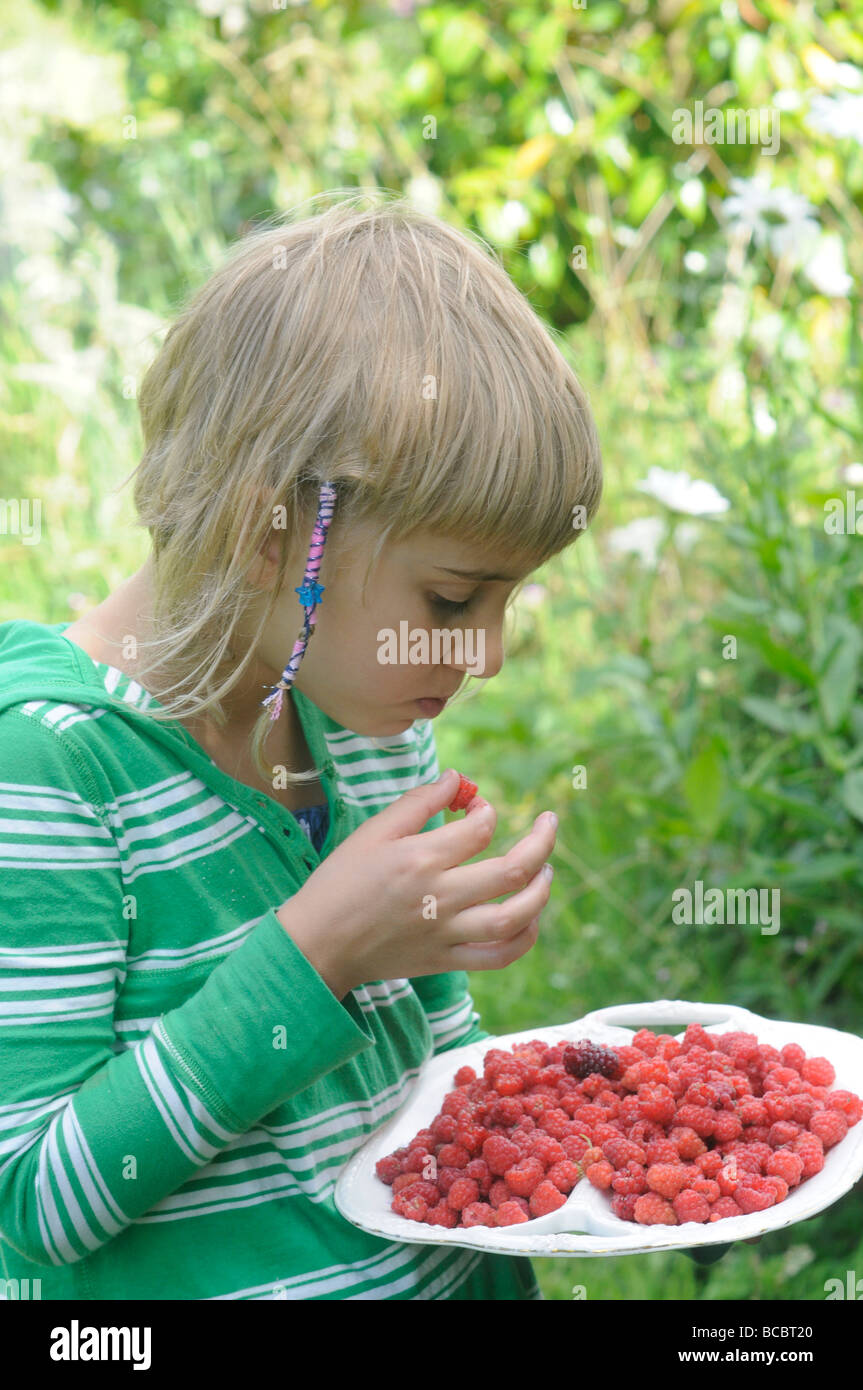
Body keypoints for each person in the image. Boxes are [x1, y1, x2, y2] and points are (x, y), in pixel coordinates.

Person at [0, 192, 603, 1299]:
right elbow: (35, 1203)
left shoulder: (362, 738)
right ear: (271, 529)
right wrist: (315, 953)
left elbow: (437, 1088)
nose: (490, 653)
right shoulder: (49, 770)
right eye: (453, 596)